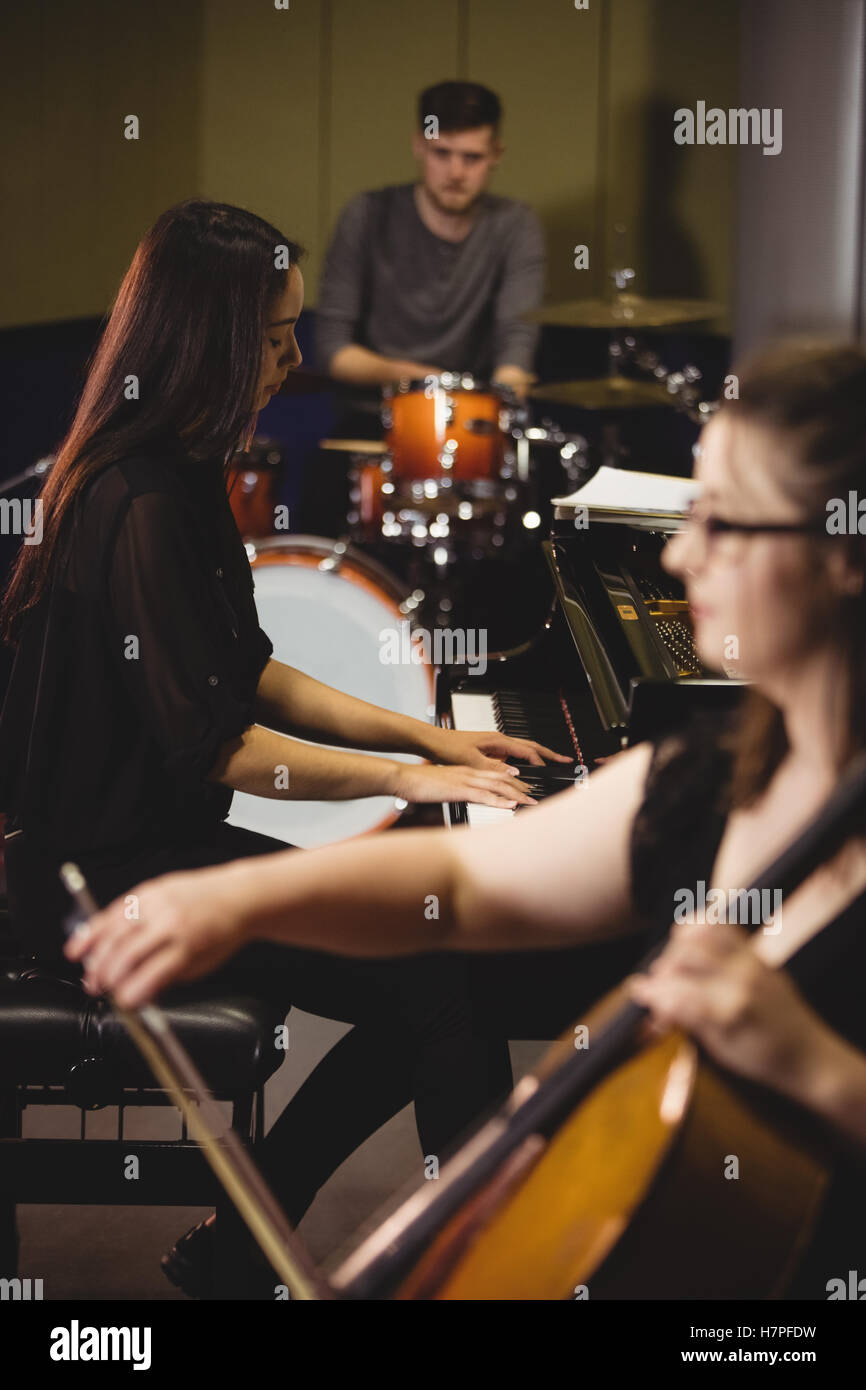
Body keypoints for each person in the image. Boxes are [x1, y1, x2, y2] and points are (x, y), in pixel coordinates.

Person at [73, 341, 866, 1299]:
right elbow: (458, 884)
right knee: (454, 982)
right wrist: (229, 901)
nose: (676, 552)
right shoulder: (708, 781)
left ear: (842, 555)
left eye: (721, 519)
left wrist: (815, 1069)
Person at [0, 198, 569, 1296]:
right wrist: (413, 777)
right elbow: (219, 747)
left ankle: (248, 1251)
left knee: (430, 971)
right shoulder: (139, 501)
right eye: (273, 339)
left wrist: (422, 730)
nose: (295, 360)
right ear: (208, 341)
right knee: (432, 970)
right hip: (93, 886)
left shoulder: (178, 468)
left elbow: (248, 670)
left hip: (148, 846)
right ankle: (455, 1259)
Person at [316, 80, 545, 400]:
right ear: (419, 146)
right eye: (442, 153)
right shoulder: (366, 215)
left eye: (472, 157)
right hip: (373, 416)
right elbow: (332, 349)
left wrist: (506, 387)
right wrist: (429, 385)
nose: (455, 172)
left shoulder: (516, 224)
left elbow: (516, 342)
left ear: (496, 154)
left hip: (472, 416)